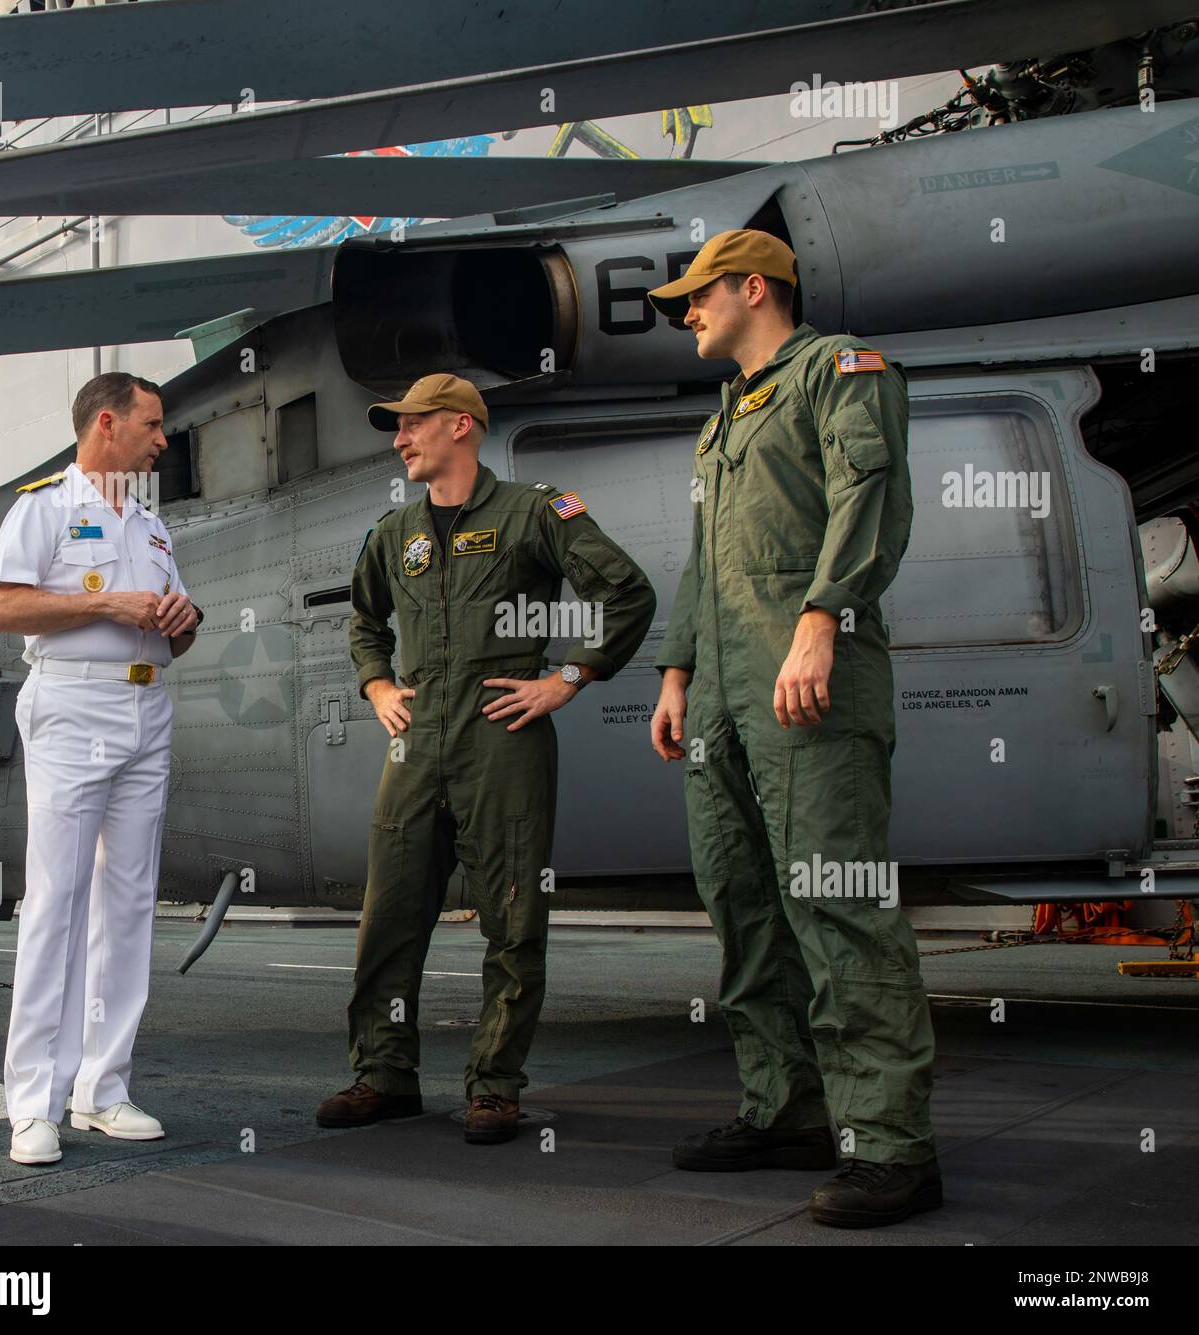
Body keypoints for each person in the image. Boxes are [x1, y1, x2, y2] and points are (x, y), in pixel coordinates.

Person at [646, 230, 940, 1227]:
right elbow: (701, 555)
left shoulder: (841, 370)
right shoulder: (725, 418)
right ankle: (789, 1109)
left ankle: (891, 1145)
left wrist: (823, 618)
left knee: (837, 905)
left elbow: (871, 495)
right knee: (744, 906)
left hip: (809, 684)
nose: (685, 312)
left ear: (754, 288)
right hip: (727, 703)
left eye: (696, 295)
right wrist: (677, 670)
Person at [317, 373, 656, 1143]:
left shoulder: (535, 511)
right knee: (389, 919)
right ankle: (383, 1075)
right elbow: (364, 620)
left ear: (462, 426)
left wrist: (567, 677)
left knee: (512, 918)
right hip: (416, 742)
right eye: (396, 427)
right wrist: (375, 685)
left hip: (503, 741)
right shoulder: (393, 531)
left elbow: (626, 591)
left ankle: (495, 1085)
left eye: (412, 424)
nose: (399, 438)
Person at [0, 372, 201, 1166]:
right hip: (72, 709)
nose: (162, 437)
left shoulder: (151, 526)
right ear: (105, 423)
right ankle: (33, 1103)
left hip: (147, 706)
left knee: (129, 901)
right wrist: (109, 606)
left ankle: (102, 1089)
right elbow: (3, 608)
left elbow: (178, 629)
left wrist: (184, 618)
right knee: (56, 900)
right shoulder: (42, 507)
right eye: (152, 423)